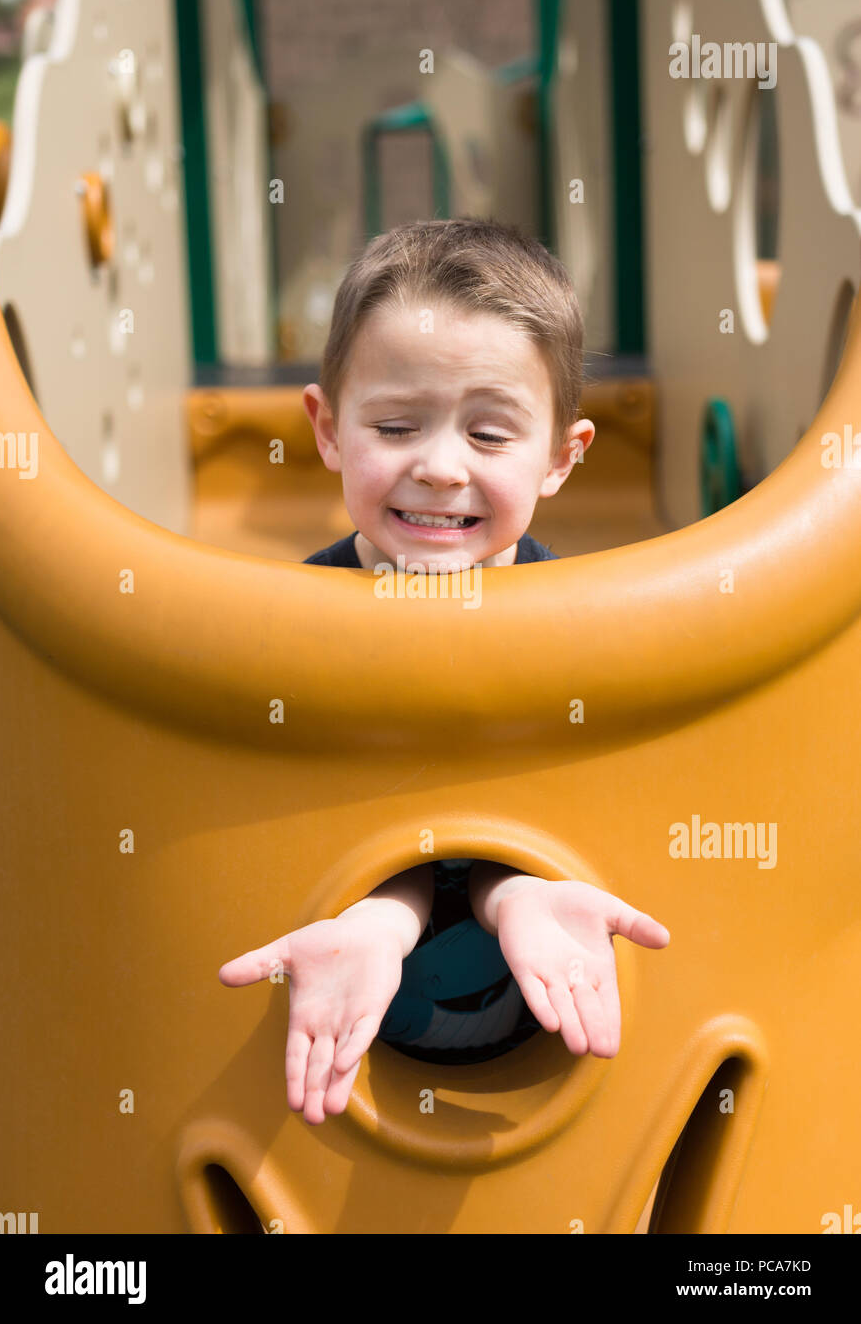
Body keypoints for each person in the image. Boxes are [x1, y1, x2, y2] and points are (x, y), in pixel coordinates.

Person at [219, 218, 670, 1124]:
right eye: (395, 425)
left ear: (561, 458)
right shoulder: (291, 626)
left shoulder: (579, 625)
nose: (437, 467)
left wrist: (515, 889)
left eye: (491, 436)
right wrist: (386, 913)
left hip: (539, 1002)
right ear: (328, 428)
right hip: (344, 1009)